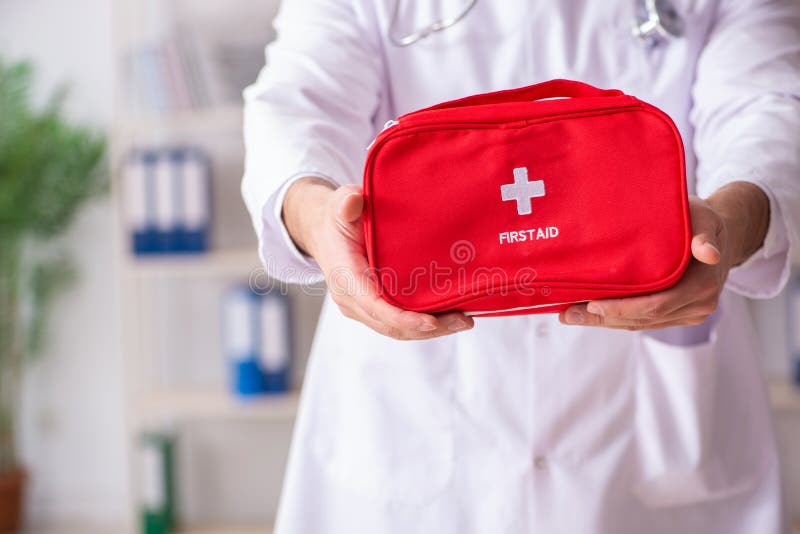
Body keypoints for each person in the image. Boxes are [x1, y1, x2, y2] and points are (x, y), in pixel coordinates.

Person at [241, 1, 800, 532]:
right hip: (410, 407)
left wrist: (733, 221)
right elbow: (299, 102)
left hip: (649, 417)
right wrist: (315, 216)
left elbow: (766, 106)